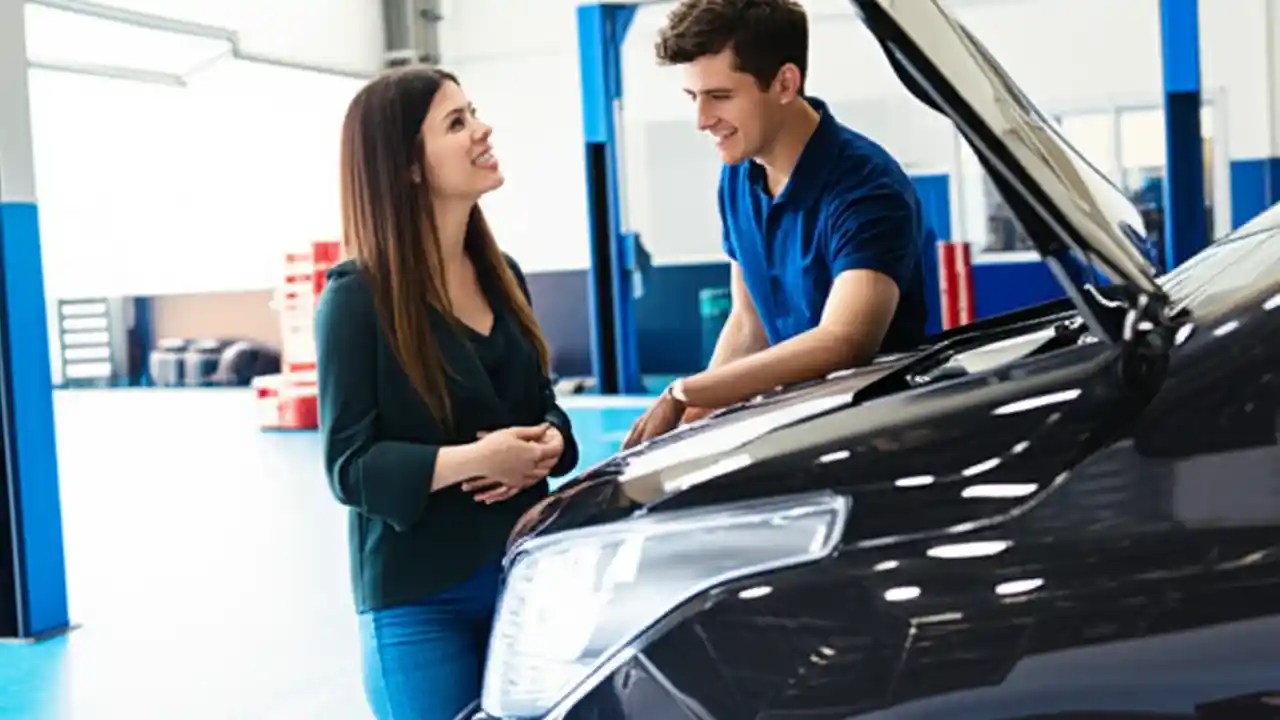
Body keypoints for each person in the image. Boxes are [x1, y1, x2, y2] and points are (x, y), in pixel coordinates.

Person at [315, 65, 579, 720]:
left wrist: (551, 440)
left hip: (523, 580)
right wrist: (476, 462)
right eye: (456, 123)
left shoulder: (502, 275)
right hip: (417, 601)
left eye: (474, 113)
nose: (482, 129)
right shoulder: (356, 299)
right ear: (406, 167)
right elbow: (349, 467)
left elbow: (542, 404)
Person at [623, 0, 930, 449]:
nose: (701, 120)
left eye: (720, 96)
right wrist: (695, 418)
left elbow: (845, 341)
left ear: (785, 82)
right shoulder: (737, 177)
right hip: (795, 429)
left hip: (874, 439)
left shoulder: (867, 186)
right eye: (694, 97)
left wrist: (687, 391)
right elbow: (750, 323)